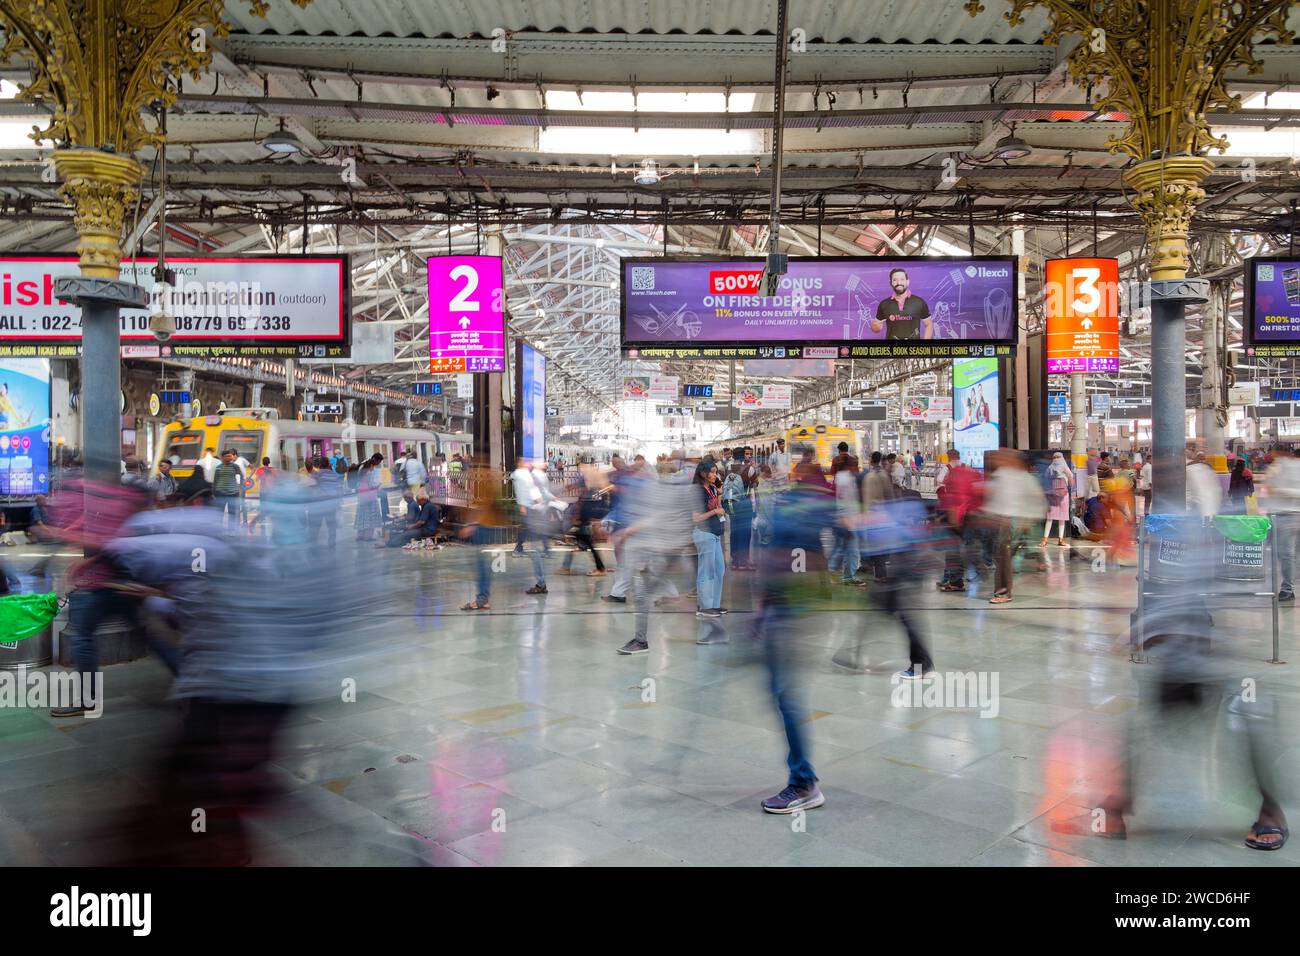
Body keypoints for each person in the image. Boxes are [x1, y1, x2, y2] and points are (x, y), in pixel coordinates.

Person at [982, 449, 1047, 604]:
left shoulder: (1022, 477)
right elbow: (994, 498)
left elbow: (1039, 501)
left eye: (1002, 457)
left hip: (1011, 522)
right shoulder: (1003, 475)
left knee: (1003, 557)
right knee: (1002, 557)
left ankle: (1003, 592)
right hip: (1003, 521)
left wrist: (1027, 520)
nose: (997, 460)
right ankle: (1003, 591)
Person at [690, 460, 727, 618]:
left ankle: (714, 605)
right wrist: (714, 513)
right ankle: (704, 607)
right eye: (711, 472)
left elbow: (715, 506)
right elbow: (696, 518)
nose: (714, 475)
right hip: (704, 533)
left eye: (715, 472)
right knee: (706, 571)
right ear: (702, 473)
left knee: (719, 570)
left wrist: (718, 493)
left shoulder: (711, 488)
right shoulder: (697, 491)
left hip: (715, 533)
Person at [1264, 446, 1300, 603]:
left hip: (1286, 515)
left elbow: (1271, 490)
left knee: (1286, 554)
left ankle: (1288, 589)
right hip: (1286, 514)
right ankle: (1290, 584)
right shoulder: (1282, 466)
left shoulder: (1278, 468)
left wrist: (1280, 491)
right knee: (1291, 554)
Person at [560, 465, 609, 576]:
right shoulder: (594, 490)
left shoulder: (596, 491)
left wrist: (594, 520)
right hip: (584, 518)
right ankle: (599, 567)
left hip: (585, 518)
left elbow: (593, 504)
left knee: (583, 540)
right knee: (582, 540)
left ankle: (600, 568)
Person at [510, 459, 549, 594]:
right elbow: (533, 492)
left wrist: (525, 506)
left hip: (531, 512)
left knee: (535, 549)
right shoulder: (524, 474)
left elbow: (531, 491)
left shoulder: (520, 474)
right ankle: (541, 582)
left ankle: (541, 583)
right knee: (535, 547)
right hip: (532, 511)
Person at [871, 267, 932, 339]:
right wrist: (875, 327)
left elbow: (929, 324)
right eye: (895, 280)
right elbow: (876, 329)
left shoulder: (919, 302)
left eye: (902, 279)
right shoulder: (884, 304)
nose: (899, 283)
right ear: (891, 283)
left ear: (907, 281)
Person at [1042, 452, 1074, 548]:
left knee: (1050, 517)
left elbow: (1046, 476)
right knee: (1062, 518)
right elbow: (1071, 477)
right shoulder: (1064, 466)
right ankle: (1060, 540)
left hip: (1053, 494)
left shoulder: (1050, 467)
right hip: (1063, 495)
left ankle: (1045, 540)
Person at [210, 448, 245, 529]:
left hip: (233, 493)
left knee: (232, 513)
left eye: (230, 456)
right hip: (220, 493)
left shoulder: (235, 466)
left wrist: (239, 488)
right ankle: (219, 528)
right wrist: (213, 492)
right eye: (227, 456)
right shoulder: (218, 467)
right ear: (222, 457)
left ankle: (232, 529)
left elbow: (241, 477)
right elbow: (215, 480)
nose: (230, 457)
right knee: (220, 512)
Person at [1186, 451, 1221, 521]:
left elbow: (1215, 490)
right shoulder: (1192, 469)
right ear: (1196, 458)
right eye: (1200, 458)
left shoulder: (1206, 469)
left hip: (1204, 510)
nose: (1202, 460)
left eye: (1203, 458)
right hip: (1200, 510)